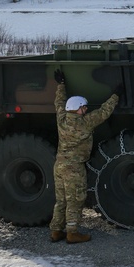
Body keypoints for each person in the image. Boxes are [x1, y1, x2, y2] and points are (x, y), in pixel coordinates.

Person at [49, 69, 118, 244]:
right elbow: (104, 112)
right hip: (74, 168)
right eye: (83, 107)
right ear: (77, 109)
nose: (86, 109)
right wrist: (116, 96)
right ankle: (72, 233)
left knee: (61, 199)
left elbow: (59, 102)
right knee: (76, 199)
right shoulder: (85, 123)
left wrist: (61, 85)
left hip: (59, 165)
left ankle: (56, 231)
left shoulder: (62, 119)